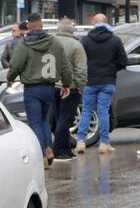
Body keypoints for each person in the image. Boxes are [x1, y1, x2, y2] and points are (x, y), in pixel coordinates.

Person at [3, 14, 71, 166]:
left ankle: (42, 155)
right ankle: (48, 147)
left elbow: (15, 65)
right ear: (41, 25)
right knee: (44, 120)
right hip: (49, 88)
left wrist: (10, 78)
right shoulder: (54, 43)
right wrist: (66, 84)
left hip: (32, 89)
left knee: (35, 122)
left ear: (28, 26)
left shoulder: (25, 44)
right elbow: (65, 66)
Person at [77, 13, 127, 155]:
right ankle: (104, 143)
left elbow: (80, 61)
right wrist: (111, 69)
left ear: (94, 24)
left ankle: (81, 141)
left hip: (90, 81)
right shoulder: (115, 40)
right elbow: (123, 61)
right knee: (103, 111)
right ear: (107, 23)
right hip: (107, 81)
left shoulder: (85, 40)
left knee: (86, 111)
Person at [51, 19, 87, 162]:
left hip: (51, 86)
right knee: (66, 119)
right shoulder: (76, 46)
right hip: (69, 87)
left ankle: (65, 148)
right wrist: (81, 87)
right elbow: (81, 69)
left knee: (59, 118)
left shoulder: (50, 42)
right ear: (72, 30)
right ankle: (59, 150)